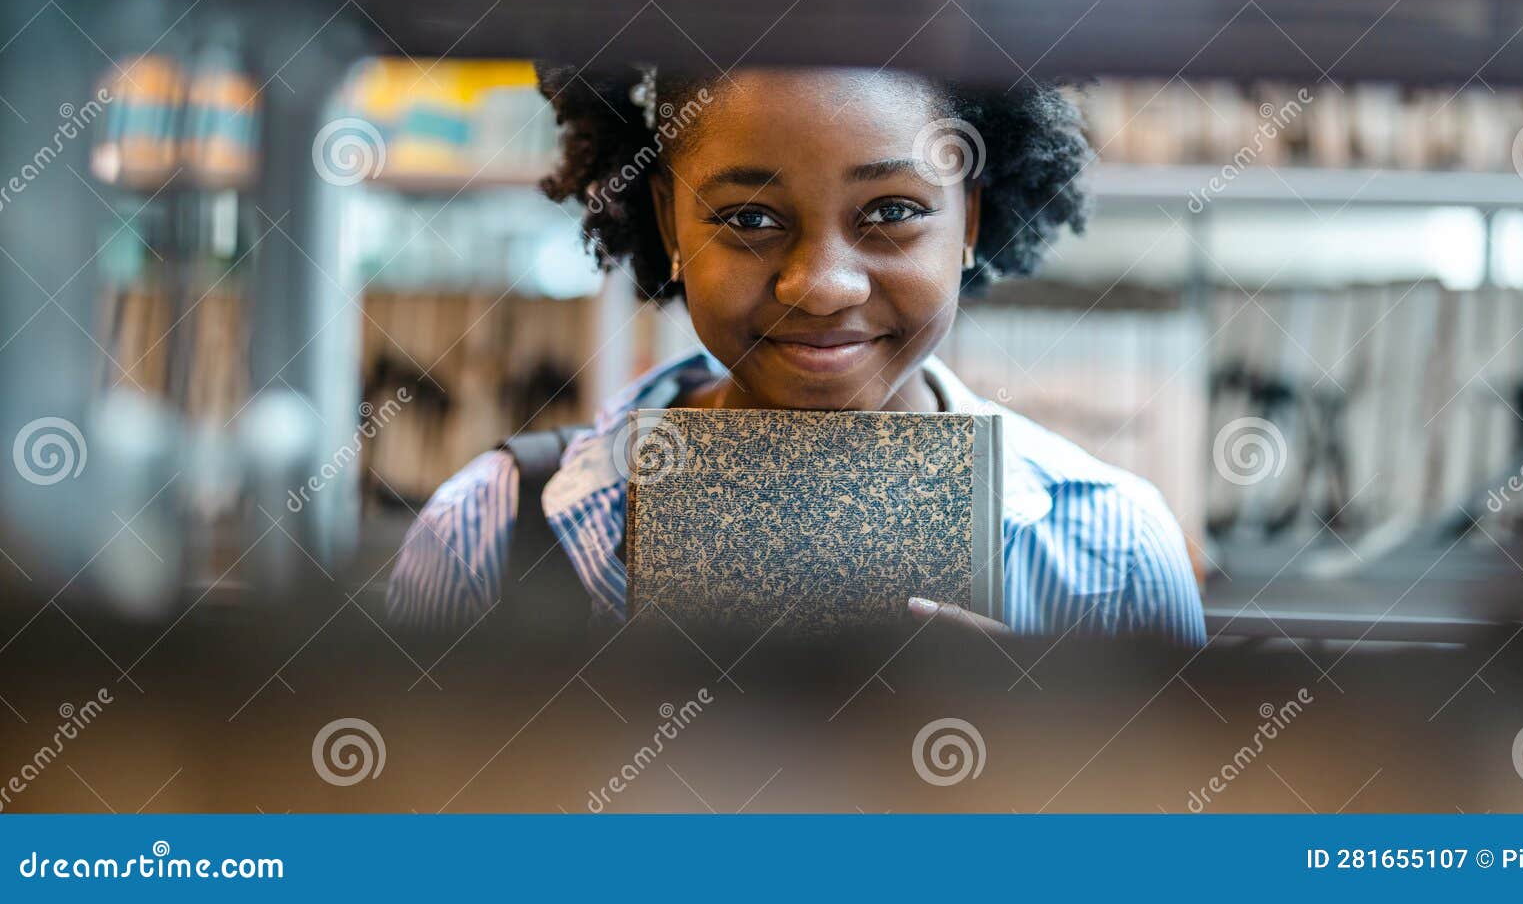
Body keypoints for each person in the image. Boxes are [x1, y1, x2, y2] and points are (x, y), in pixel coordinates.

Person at [387, 66, 1205, 645]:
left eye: (891, 208)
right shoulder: (487, 536)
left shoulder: (1115, 554)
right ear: (671, 221)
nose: (820, 286)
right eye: (748, 218)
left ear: (971, 219)